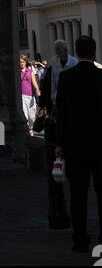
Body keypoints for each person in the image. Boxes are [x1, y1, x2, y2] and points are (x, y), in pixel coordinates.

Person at [55, 35, 102, 253]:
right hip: (99, 142)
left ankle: (80, 238)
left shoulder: (66, 77)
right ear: (94, 52)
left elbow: (61, 114)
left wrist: (60, 143)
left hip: (75, 143)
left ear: (76, 51)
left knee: (78, 194)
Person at [40, 39, 78, 118]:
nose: (57, 51)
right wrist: (53, 98)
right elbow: (52, 80)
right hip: (58, 95)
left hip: (71, 95)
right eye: (56, 49)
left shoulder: (74, 62)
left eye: (59, 48)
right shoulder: (53, 61)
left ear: (65, 49)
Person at [20, 54, 41, 133]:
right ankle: (28, 131)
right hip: (21, 96)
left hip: (30, 96)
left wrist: (37, 91)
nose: (21, 63)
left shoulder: (30, 71)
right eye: (20, 62)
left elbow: (34, 82)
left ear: (26, 62)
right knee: (25, 114)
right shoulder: (17, 72)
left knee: (32, 116)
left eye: (23, 62)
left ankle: (31, 128)